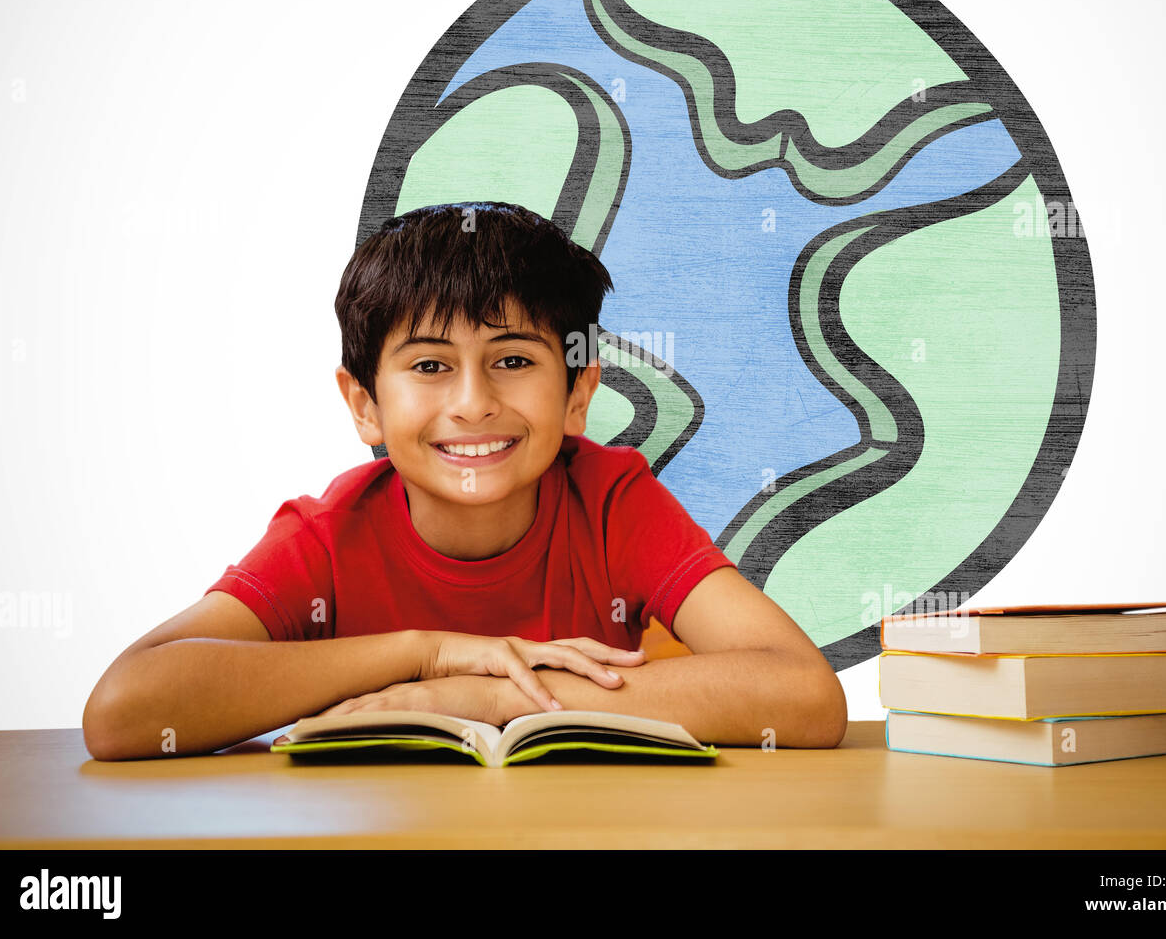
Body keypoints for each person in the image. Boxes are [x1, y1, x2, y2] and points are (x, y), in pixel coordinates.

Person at [82, 202, 846, 760]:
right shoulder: (328, 536)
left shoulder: (610, 500)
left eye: (513, 360)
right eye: (428, 366)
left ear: (577, 395)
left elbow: (805, 697)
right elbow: (123, 712)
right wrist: (427, 655)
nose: (475, 401)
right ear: (365, 405)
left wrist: (489, 698)